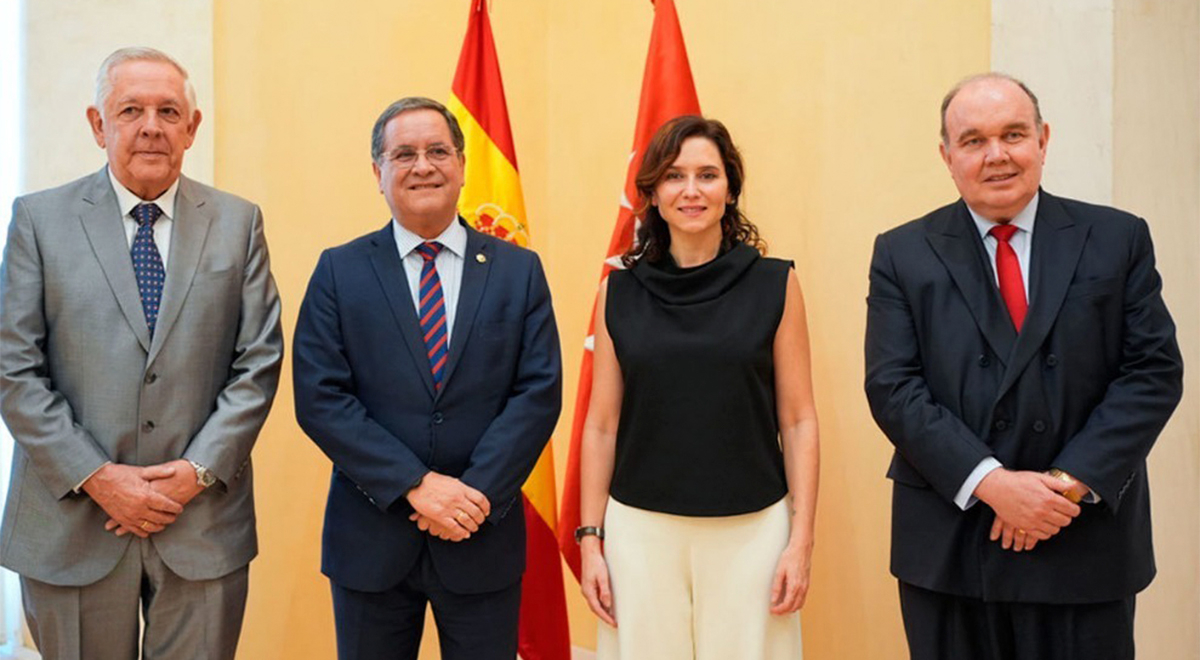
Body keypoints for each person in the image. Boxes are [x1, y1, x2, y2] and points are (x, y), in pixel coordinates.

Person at [865, 73, 1184, 660]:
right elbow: (893, 387)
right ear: (947, 155)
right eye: (973, 140)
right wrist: (992, 484)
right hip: (953, 543)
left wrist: (1060, 489)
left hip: (1082, 538)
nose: (997, 156)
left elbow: (1153, 372)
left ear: (1043, 139)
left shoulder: (1117, 237)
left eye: (1013, 134)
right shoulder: (901, 252)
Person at [0, 47, 284, 659]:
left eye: (168, 110)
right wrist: (99, 478)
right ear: (99, 125)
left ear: (192, 127)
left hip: (202, 522)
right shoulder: (39, 221)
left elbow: (258, 363)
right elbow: (14, 370)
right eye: (131, 110)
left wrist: (194, 472)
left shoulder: (238, 223)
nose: (151, 125)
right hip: (72, 524)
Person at [292, 96, 562, 660]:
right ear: (378, 172)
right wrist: (416, 486)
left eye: (438, 150)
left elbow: (537, 394)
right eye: (404, 153)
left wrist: (471, 500)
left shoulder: (518, 270)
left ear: (462, 166)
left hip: (481, 537)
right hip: (370, 542)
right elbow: (321, 399)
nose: (423, 166)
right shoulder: (339, 271)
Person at [577, 115, 819, 660]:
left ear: (730, 189)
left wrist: (800, 541)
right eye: (674, 176)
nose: (691, 190)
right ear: (654, 194)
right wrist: (591, 540)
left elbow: (799, 419)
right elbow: (601, 425)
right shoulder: (618, 293)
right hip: (640, 533)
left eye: (707, 175)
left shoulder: (776, 284)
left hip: (753, 531)